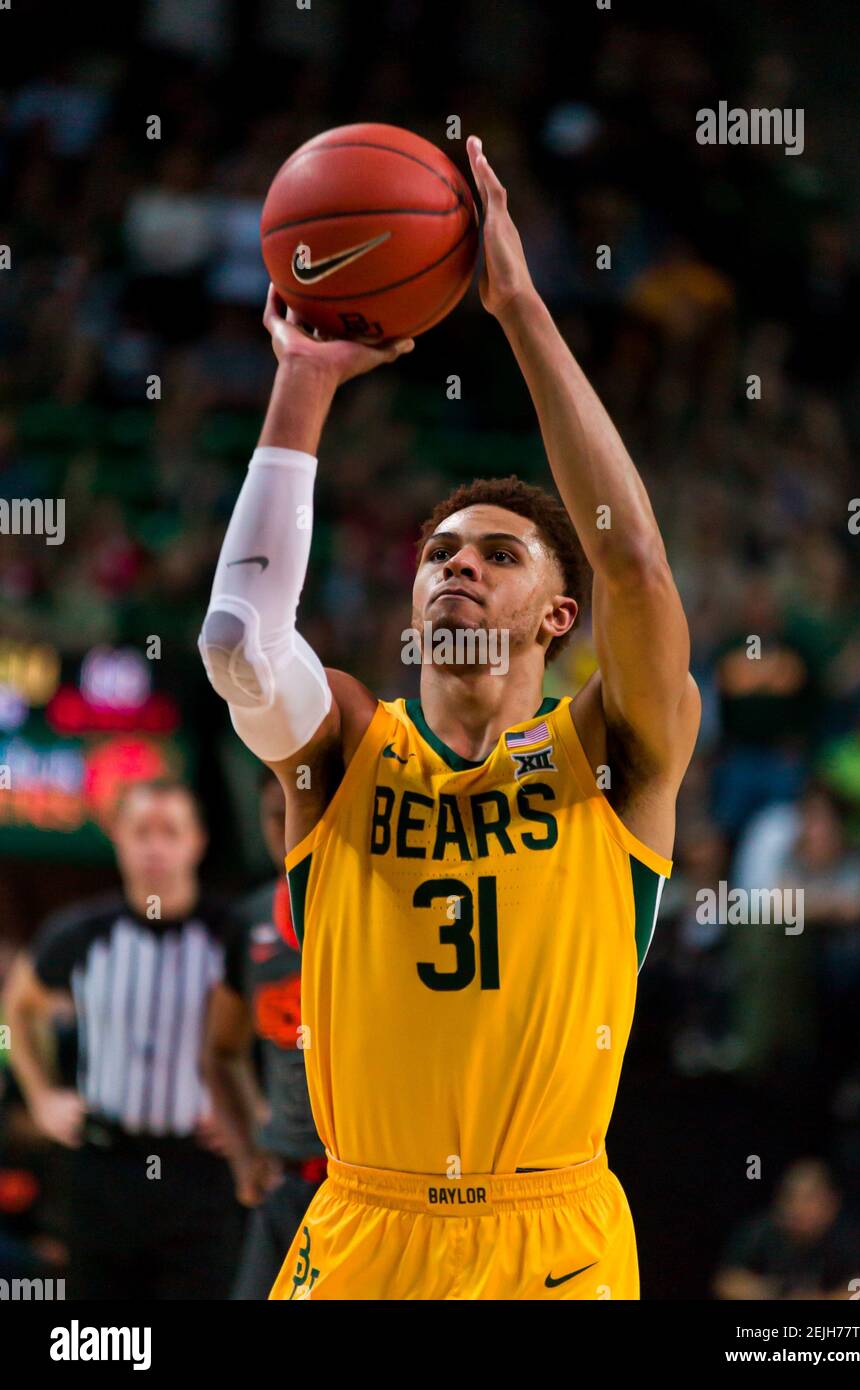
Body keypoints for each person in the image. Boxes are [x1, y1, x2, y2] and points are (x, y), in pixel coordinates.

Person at [198, 134, 700, 1301]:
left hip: (551, 1232)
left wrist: (519, 308)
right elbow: (237, 641)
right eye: (436, 553)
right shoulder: (344, 753)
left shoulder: (613, 753)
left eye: (496, 553)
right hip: (361, 1220)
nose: (456, 567)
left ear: (557, 613)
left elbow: (639, 574)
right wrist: (305, 380)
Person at [2, 778, 243, 1299]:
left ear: (197, 841)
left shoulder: (233, 935)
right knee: (103, 1332)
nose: (155, 846)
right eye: (140, 831)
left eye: (169, 831)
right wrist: (41, 1099)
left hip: (201, 1169)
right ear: (118, 838)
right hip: (104, 1164)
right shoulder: (82, 934)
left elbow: (285, 1029)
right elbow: (15, 1012)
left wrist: (257, 1116)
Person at [204, 770, 326, 1299]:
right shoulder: (247, 922)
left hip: (370, 1189)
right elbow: (220, 1053)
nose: (286, 832)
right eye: (274, 817)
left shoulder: (378, 907)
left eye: (297, 813)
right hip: (287, 1184)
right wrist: (245, 1149)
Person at [713, 1159, 860, 1300]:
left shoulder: (849, 1235)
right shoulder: (761, 1230)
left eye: (809, 1198)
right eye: (790, 1196)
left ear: (831, 1202)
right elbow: (727, 1281)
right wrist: (771, 1294)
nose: (798, 1207)